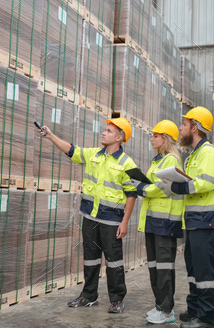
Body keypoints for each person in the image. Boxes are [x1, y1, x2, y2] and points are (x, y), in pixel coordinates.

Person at [39, 117, 138, 314]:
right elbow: (71, 150)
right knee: (90, 258)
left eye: (109, 131)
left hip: (111, 220)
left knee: (114, 261)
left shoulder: (128, 163)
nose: (104, 133)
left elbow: (132, 194)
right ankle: (88, 295)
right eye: (105, 130)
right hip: (91, 217)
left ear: (119, 137)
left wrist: (125, 222)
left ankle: (117, 299)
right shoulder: (94, 154)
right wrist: (50, 136)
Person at [125, 120, 185, 324]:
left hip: (166, 223)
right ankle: (160, 305)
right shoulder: (158, 160)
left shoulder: (171, 161)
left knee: (164, 267)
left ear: (165, 138)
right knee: (154, 266)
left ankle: (167, 309)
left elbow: (161, 187)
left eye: (155, 135)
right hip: (153, 221)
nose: (151, 138)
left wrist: (140, 188)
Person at [171, 107, 214, 328]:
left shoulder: (209, 152)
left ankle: (207, 318)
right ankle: (194, 309)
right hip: (194, 221)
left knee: (204, 271)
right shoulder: (193, 153)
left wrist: (180, 186)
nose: (180, 129)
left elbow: (206, 182)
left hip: (206, 220)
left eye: (183, 125)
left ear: (194, 127)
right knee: (194, 271)